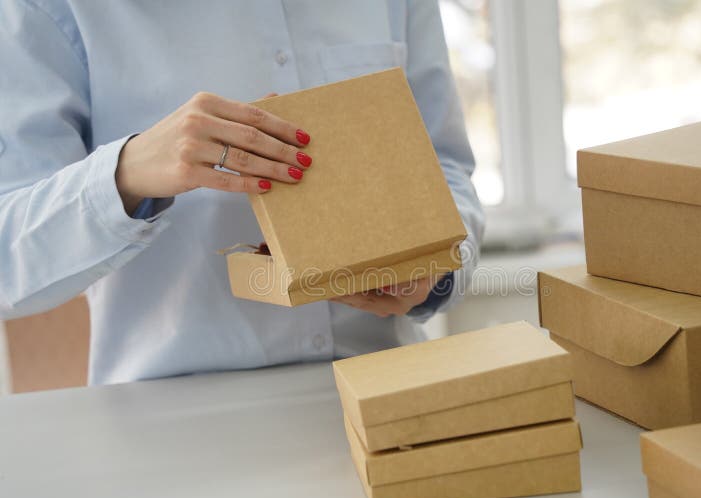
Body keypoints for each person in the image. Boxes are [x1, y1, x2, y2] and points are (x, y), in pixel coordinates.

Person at [0, 0, 484, 385]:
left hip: (385, 395)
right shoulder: (49, 8)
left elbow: (447, 166)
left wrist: (435, 271)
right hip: (173, 425)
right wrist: (124, 174)